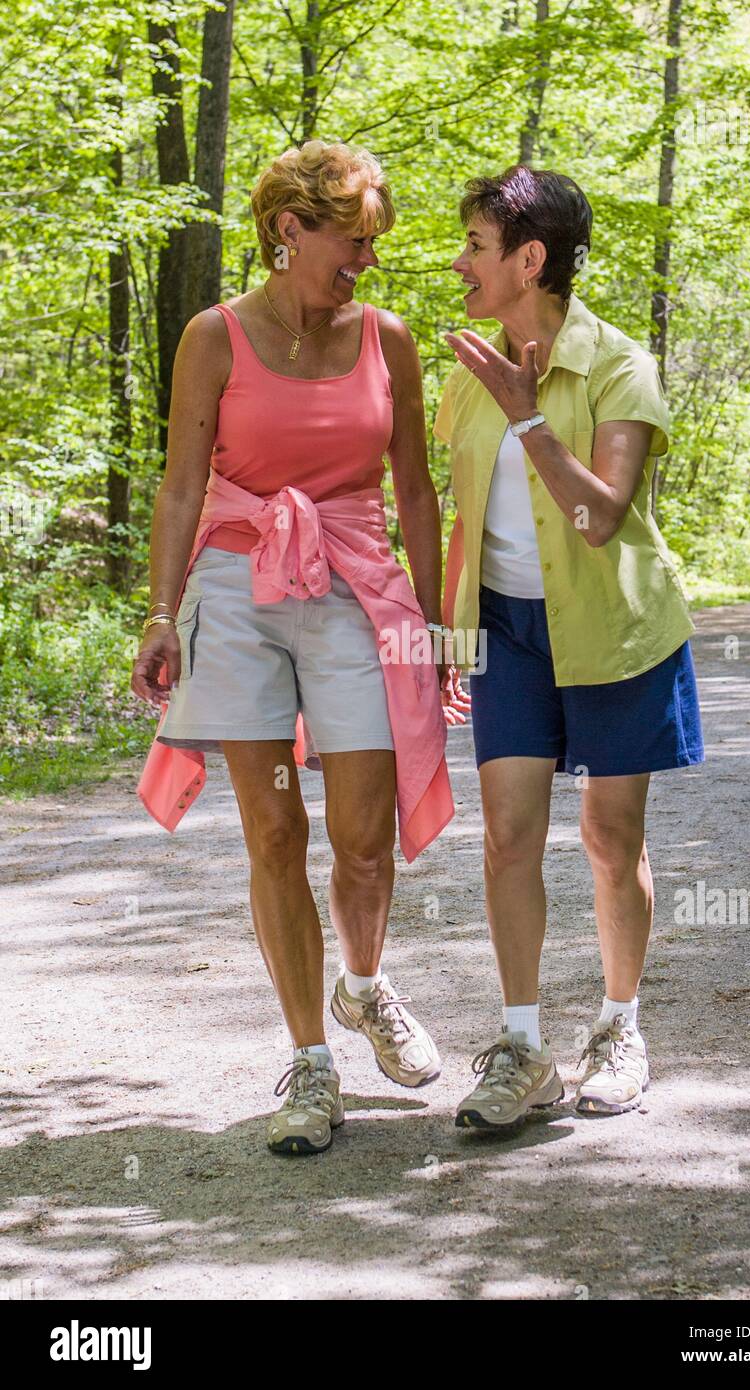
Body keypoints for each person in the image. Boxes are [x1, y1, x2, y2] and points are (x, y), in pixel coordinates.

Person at [132, 139, 459, 1157]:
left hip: (356, 585)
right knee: (275, 833)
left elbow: (413, 488)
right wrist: (159, 609)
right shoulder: (213, 336)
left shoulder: (387, 340)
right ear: (289, 230)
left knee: (363, 835)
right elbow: (182, 484)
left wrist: (439, 620)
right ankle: (311, 1064)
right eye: (352, 241)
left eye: (373, 243)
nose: (366, 260)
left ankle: (364, 988)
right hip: (236, 589)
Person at [435, 165, 704, 1130]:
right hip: (506, 632)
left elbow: (600, 516)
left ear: (529, 259)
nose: (459, 262)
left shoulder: (619, 365)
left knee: (607, 837)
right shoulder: (466, 372)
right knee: (507, 837)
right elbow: (463, 513)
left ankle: (620, 1028)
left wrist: (529, 414)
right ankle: (521, 1049)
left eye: (475, 245)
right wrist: (447, 632)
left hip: (614, 629)